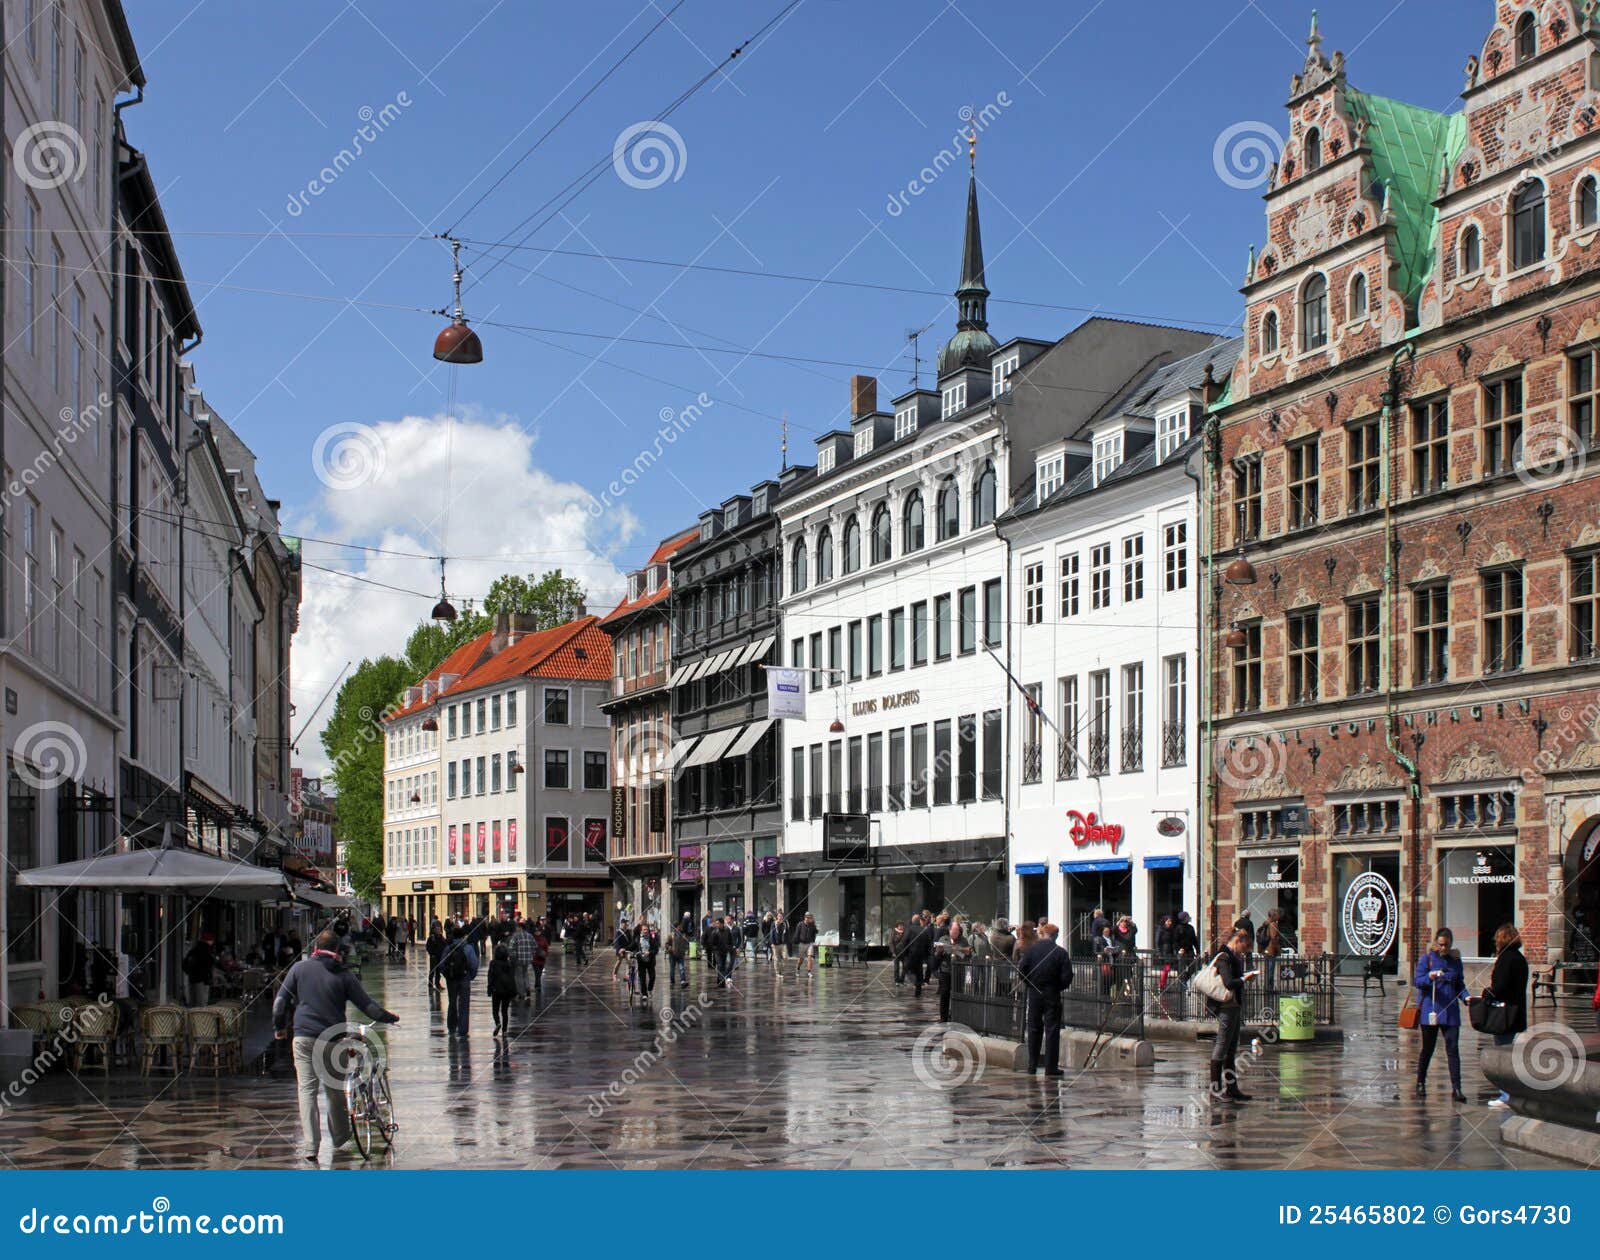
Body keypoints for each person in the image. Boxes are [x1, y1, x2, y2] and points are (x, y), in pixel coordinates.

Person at [272, 929, 398, 1162]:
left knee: (306, 1091)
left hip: (302, 1039)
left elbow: (279, 1004)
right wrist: (390, 1018)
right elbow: (368, 1007)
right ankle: (340, 1138)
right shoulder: (344, 975)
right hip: (331, 1039)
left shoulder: (298, 969)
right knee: (335, 1091)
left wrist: (279, 1027)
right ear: (338, 950)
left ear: (315, 948)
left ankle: (311, 1146)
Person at [1473, 923, 1528, 1109]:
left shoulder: (1506, 959)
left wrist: (1488, 993)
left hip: (1505, 1014)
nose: (1495, 941)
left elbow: (1501, 986)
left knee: (1503, 1056)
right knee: (1510, 1054)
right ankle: (1513, 1093)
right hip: (1517, 1012)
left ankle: (1506, 1096)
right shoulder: (1520, 958)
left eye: (1497, 938)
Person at [1413, 928, 1467, 1102]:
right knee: (1427, 1049)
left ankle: (1456, 1088)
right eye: (1441, 944)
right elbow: (1417, 981)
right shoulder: (1427, 959)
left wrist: (1466, 998)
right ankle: (1420, 1082)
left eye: (1446, 945)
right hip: (1432, 1011)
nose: (1443, 948)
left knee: (1453, 1049)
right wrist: (1430, 976)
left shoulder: (1455, 962)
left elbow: (1459, 984)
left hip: (1450, 1012)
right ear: (1436, 943)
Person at [1206, 926, 1257, 1101]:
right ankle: (1215, 1090)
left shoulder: (1232, 956)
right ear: (1238, 941)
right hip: (1226, 1006)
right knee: (1221, 1046)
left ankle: (1231, 1088)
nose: (1244, 952)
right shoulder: (1224, 957)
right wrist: (1244, 979)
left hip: (1234, 1005)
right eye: (1244, 948)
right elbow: (1228, 982)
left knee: (1231, 1048)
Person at [1016, 922, 1073, 1077]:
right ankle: (1050, 1067)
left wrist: (1030, 984)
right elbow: (1067, 977)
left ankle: (1032, 1065)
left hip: (1034, 992)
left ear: (1043, 934)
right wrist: (1058, 987)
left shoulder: (1031, 950)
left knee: (1034, 1028)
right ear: (1055, 935)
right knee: (1052, 1030)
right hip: (1052, 993)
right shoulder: (1060, 952)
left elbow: (1022, 970)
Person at [438, 924, 480, 1040]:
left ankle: (452, 1028)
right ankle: (463, 1030)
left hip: (452, 979)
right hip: (464, 977)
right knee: (464, 1005)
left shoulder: (448, 948)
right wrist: (470, 976)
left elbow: (441, 965)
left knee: (452, 1003)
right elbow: (474, 964)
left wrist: (447, 975)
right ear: (463, 937)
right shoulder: (468, 948)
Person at [933, 921, 973, 1022]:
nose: (955, 933)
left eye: (957, 931)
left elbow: (968, 954)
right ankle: (943, 1017)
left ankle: (956, 1015)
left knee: (958, 993)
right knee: (944, 993)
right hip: (945, 970)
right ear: (949, 930)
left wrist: (963, 951)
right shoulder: (943, 939)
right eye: (954, 930)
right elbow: (937, 954)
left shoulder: (963, 940)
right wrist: (940, 951)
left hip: (958, 971)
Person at [487, 944, 517, 1037]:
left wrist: (489, 988)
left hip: (497, 989)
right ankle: (504, 1031)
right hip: (507, 990)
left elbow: (490, 977)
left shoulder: (493, 963)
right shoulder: (509, 964)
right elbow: (512, 977)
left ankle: (497, 1023)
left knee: (495, 1010)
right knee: (505, 1011)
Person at [1258, 908, 1292, 992]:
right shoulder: (1273, 924)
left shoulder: (1266, 923)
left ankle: (1268, 987)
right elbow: (1273, 938)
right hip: (1271, 950)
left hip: (1265, 950)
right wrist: (1279, 950)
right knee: (1270, 970)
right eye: (1277, 914)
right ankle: (1269, 988)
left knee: (1268, 970)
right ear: (1273, 915)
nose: (1279, 916)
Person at [182, 932, 215, 1007]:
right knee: (201, 1003)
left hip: (192, 978)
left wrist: (189, 972)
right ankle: (201, 1018)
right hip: (203, 979)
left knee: (193, 1001)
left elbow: (184, 964)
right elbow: (210, 963)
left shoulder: (193, 950)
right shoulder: (207, 950)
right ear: (209, 940)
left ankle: (193, 1017)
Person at [510, 919, 536, 1002]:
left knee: (518, 977)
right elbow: (535, 946)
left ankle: (521, 993)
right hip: (527, 960)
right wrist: (531, 955)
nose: (516, 929)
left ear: (520, 928)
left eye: (517, 927)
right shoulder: (530, 936)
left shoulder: (516, 936)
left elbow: (511, 948)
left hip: (518, 960)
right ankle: (528, 989)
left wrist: (513, 957)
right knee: (525, 975)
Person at [636, 919, 661, 998]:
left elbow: (656, 949)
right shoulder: (637, 938)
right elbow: (632, 946)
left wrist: (649, 952)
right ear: (641, 930)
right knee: (642, 978)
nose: (645, 931)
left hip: (650, 961)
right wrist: (623, 949)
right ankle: (644, 994)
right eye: (644, 929)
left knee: (652, 977)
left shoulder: (652, 938)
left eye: (646, 929)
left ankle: (649, 989)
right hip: (641, 961)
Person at [793, 913, 819, 978]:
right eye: (807, 917)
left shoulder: (812, 925)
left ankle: (809, 972)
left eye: (809, 917)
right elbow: (797, 933)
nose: (808, 919)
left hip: (809, 943)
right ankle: (798, 968)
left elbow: (816, 932)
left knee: (810, 957)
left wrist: (814, 923)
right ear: (804, 917)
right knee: (801, 959)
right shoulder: (800, 924)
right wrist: (795, 941)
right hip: (802, 943)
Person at [667, 920, 691, 988]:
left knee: (682, 968)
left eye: (679, 927)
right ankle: (672, 981)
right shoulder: (671, 935)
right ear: (675, 927)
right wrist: (670, 949)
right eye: (678, 927)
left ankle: (683, 981)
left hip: (680, 954)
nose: (680, 928)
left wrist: (685, 949)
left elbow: (686, 943)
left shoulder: (682, 934)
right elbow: (667, 944)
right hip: (672, 955)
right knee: (672, 969)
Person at [426, 922, 446, 991]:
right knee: (432, 971)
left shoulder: (442, 938)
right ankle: (430, 984)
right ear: (434, 930)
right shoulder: (431, 938)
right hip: (434, 957)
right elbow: (428, 947)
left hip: (440, 957)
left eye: (439, 929)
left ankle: (437, 984)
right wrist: (432, 954)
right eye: (437, 929)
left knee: (438, 971)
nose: (438, 930)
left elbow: (445, 946)